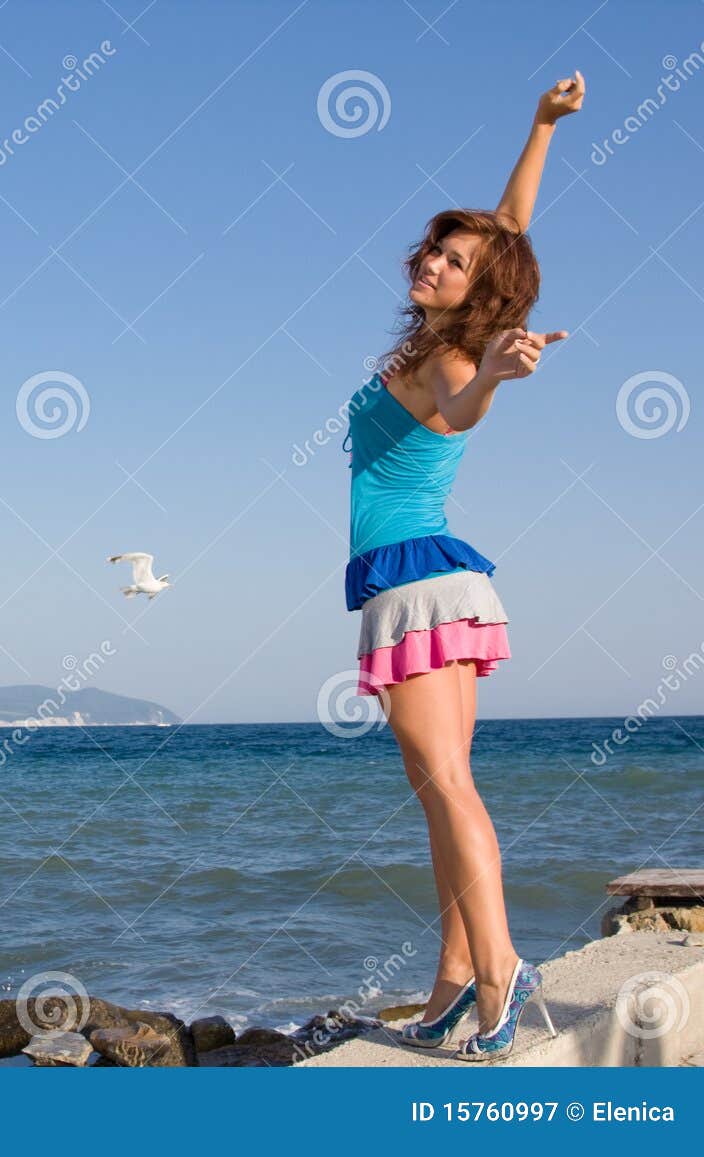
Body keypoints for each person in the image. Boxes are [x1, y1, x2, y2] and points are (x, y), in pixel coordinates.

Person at [342, 70, 585, 1061]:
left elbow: (461, 402)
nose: (434, 261)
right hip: (418, 581)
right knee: (438, 785)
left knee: (447, 783)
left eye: (451, 260)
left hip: (416, 584)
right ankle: (451, 975)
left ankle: (497, 976)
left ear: (475, 292)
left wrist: (490, 374)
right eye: (435, 248)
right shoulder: (448, 324)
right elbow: (511, 227)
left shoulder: (454, 352)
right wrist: (538, 124)